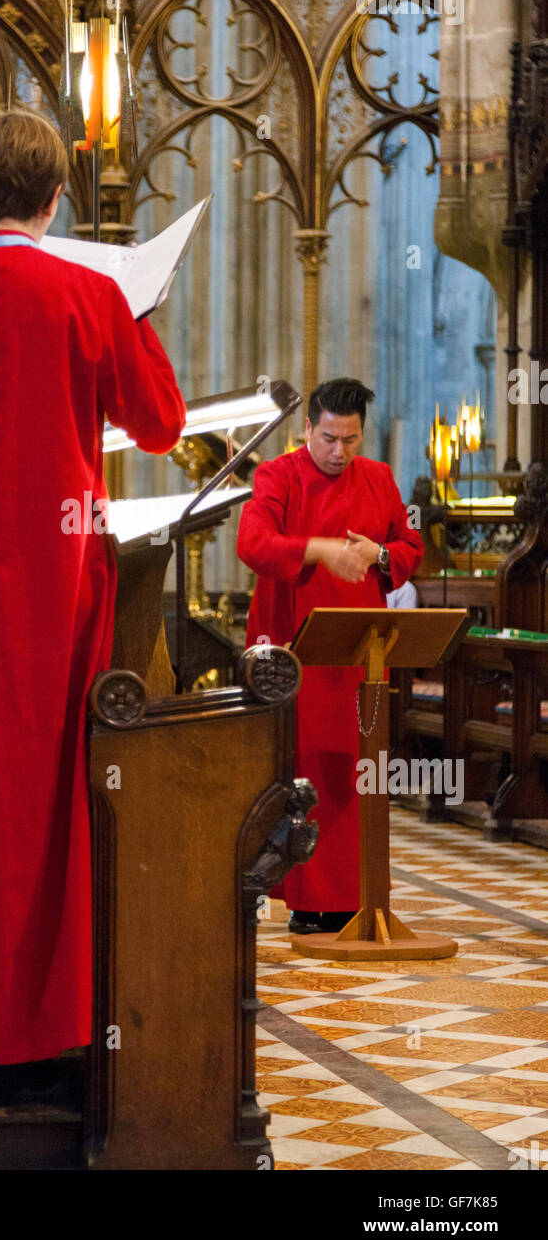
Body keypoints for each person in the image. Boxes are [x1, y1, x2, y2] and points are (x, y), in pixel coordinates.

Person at [0, 109, 186, 1070]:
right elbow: (163, 423)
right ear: (59, 197)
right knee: (49, 794)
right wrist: (136, 309)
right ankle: (48, 1029)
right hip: (58, 586)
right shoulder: (89, 295)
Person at [236, 377, 423, 934]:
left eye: (351, 439)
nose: (339, 452)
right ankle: (309, 902)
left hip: (361, 656)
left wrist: (382, 554)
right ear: (307, 430)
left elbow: (411, 547)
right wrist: (321, 550)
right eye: (328, 439)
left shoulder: (380, 478)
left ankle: (358, 897)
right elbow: (254, 545)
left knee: (358, 776)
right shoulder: (277, 476)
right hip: (294, 651)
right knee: (306, 774)